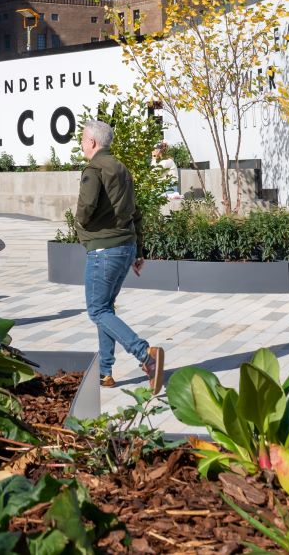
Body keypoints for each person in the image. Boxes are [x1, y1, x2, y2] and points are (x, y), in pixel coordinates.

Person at [75, 119, 164, 392]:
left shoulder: (94, 169)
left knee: (97, 310)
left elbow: (86, 207)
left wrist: (78, 224)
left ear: (91, 142)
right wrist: (138, 250)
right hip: (124, 247)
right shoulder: (122, 169)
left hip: (104, 250)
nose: (81, 143)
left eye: (82, 138)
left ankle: (145, 354)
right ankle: (105, 372)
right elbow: (135, 211)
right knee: (105, 308)